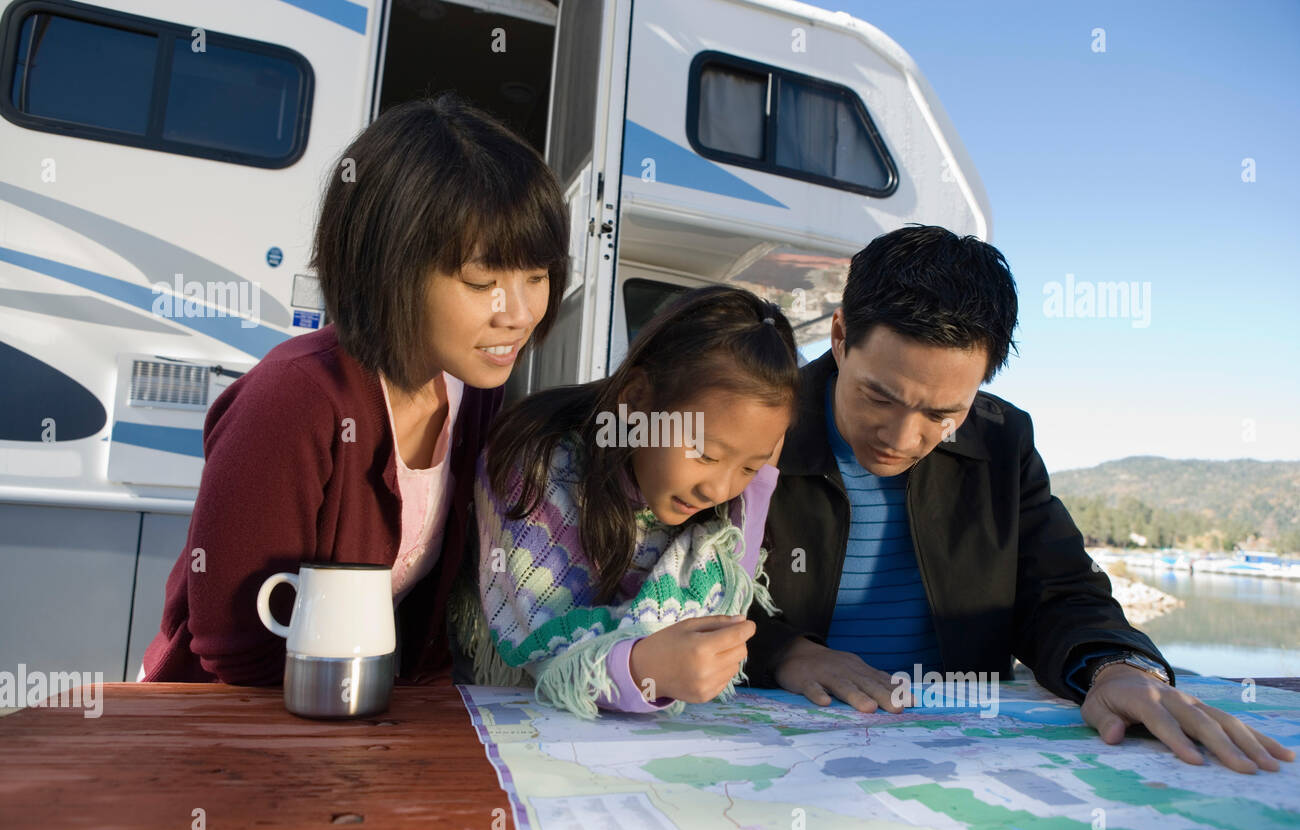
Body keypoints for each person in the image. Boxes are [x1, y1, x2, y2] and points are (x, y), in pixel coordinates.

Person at [746, 224, 1294, 774]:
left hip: (953, 754)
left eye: (942, 413)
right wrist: (785, 652)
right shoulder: (754, 426)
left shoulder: (1002, 440)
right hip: (782, 744)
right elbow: (697, 588)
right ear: (840, 335)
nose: (902, 438)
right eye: (878, 396)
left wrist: (1115, 668)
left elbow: (1060, 589)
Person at [140, 92, 569, 685]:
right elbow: (234, 650)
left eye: (538, 276)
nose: (518, 314)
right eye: (481, 282)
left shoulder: (474, 388)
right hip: (229, 716)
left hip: (361, 713)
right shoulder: (293, 400)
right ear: (390, 266)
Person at [457, 286, 797, 718]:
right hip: (502, 712)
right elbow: (542, 644)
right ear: (635, 401)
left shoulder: (719, 495)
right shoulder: (536, 465)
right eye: (706, 454)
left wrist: (759, 483)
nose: (718, 490)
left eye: (748, 466)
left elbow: (729, 598)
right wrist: (640, 668)